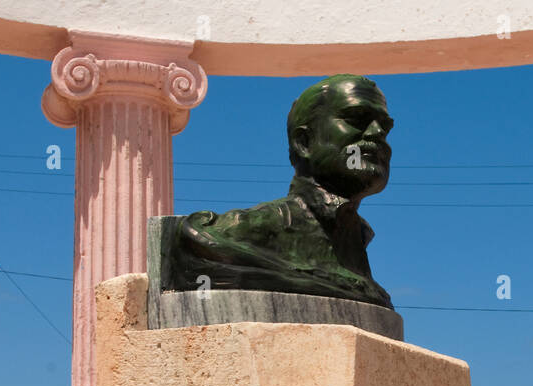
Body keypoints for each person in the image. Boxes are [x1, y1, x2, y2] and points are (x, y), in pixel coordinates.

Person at [166, 74, 394, 308]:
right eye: (357, 118)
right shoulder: (237, 232)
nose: (376, 133)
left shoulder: (357, 241)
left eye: (384, 128)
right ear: (304, 143)